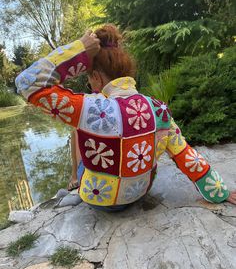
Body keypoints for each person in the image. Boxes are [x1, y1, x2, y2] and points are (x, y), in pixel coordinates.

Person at [15, 24, 236, 210]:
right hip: (137, 194)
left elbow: (27, 82)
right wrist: (220, 191)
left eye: (89, 80)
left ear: (96, 77)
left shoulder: (89, 107)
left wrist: (79, 49)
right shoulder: (158, 108)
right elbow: (185, 155)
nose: (90, 85)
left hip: (98, 200)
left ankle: (74, 183)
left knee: (80, 129)